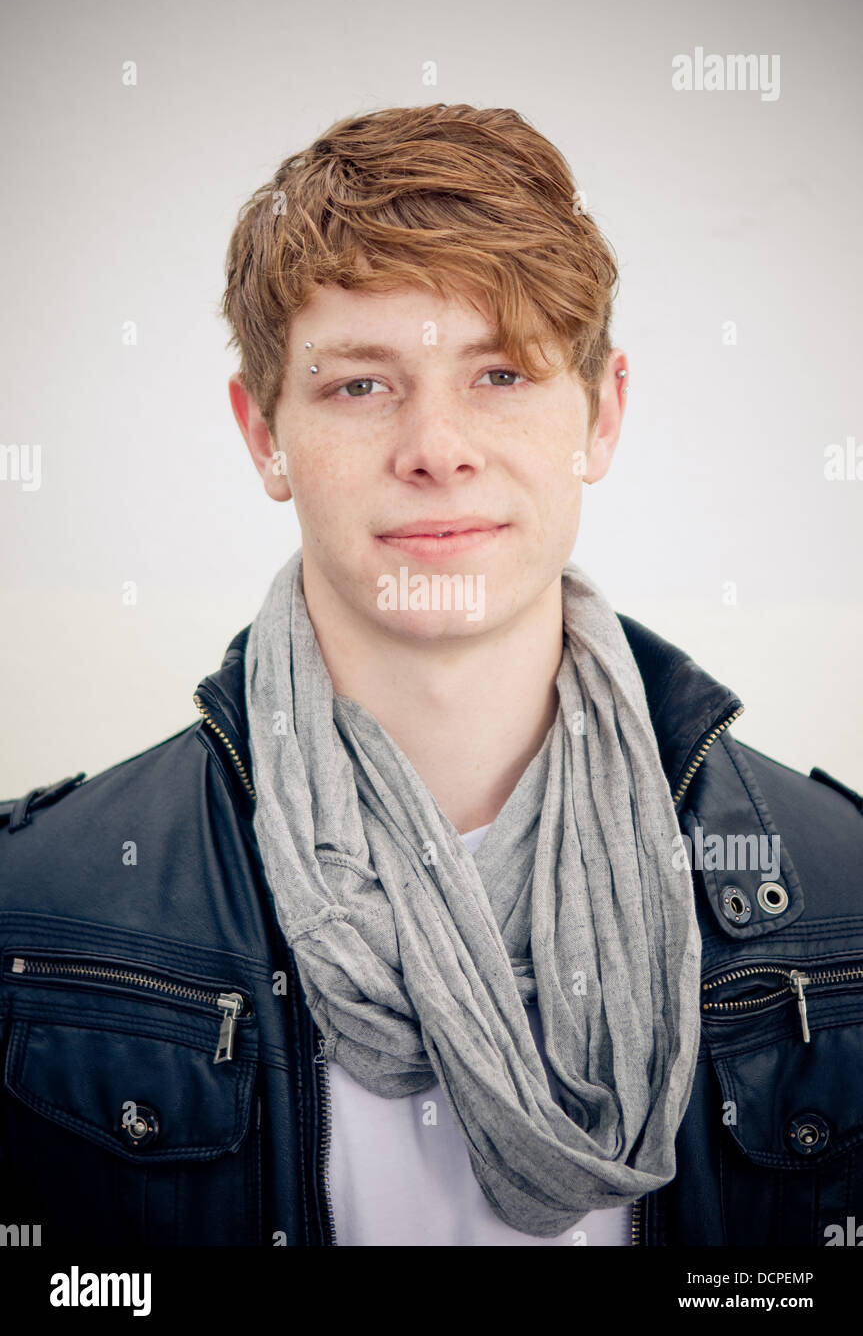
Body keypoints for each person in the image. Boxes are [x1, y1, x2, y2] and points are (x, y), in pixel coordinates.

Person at [2, 103, 861, 1248]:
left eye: (500, 374)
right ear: (262, 432)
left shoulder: (842, 906)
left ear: (599, 415)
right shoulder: (39, 912)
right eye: (360, 384)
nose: (436, 447)